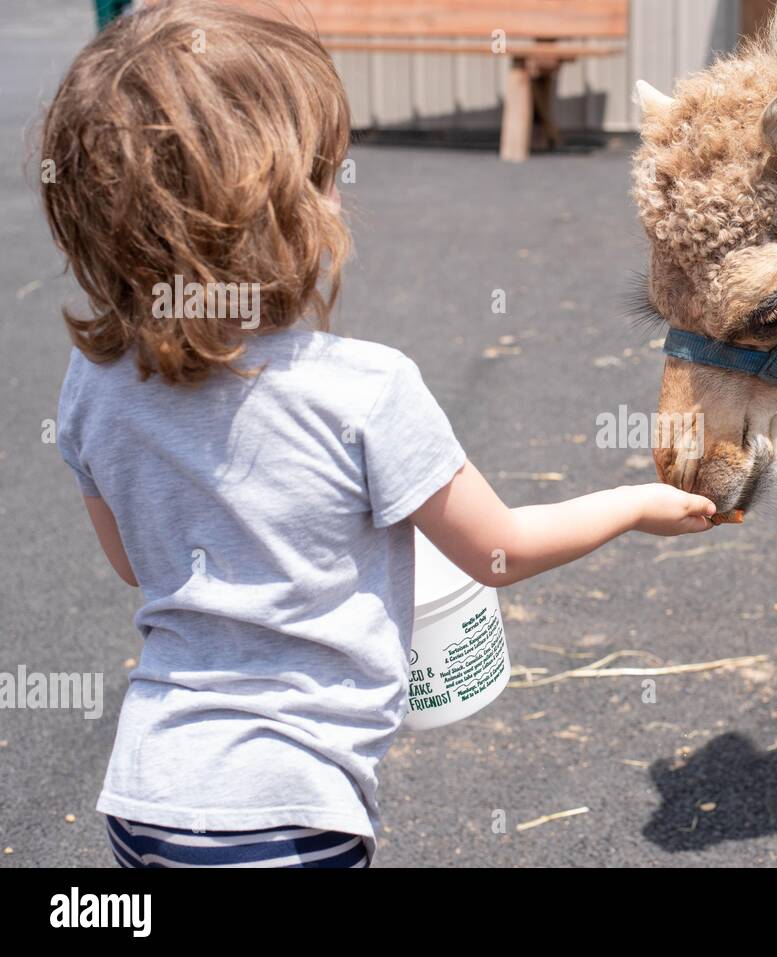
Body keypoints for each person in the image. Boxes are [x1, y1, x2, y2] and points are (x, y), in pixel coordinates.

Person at [42, 0, 715, 868]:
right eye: (325, 173)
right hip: (290, 816)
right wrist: (634, 504)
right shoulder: (365, 391)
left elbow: (137, 561)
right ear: (280, 209)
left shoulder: (91, 382)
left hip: (143, 803)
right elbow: (497, 552)